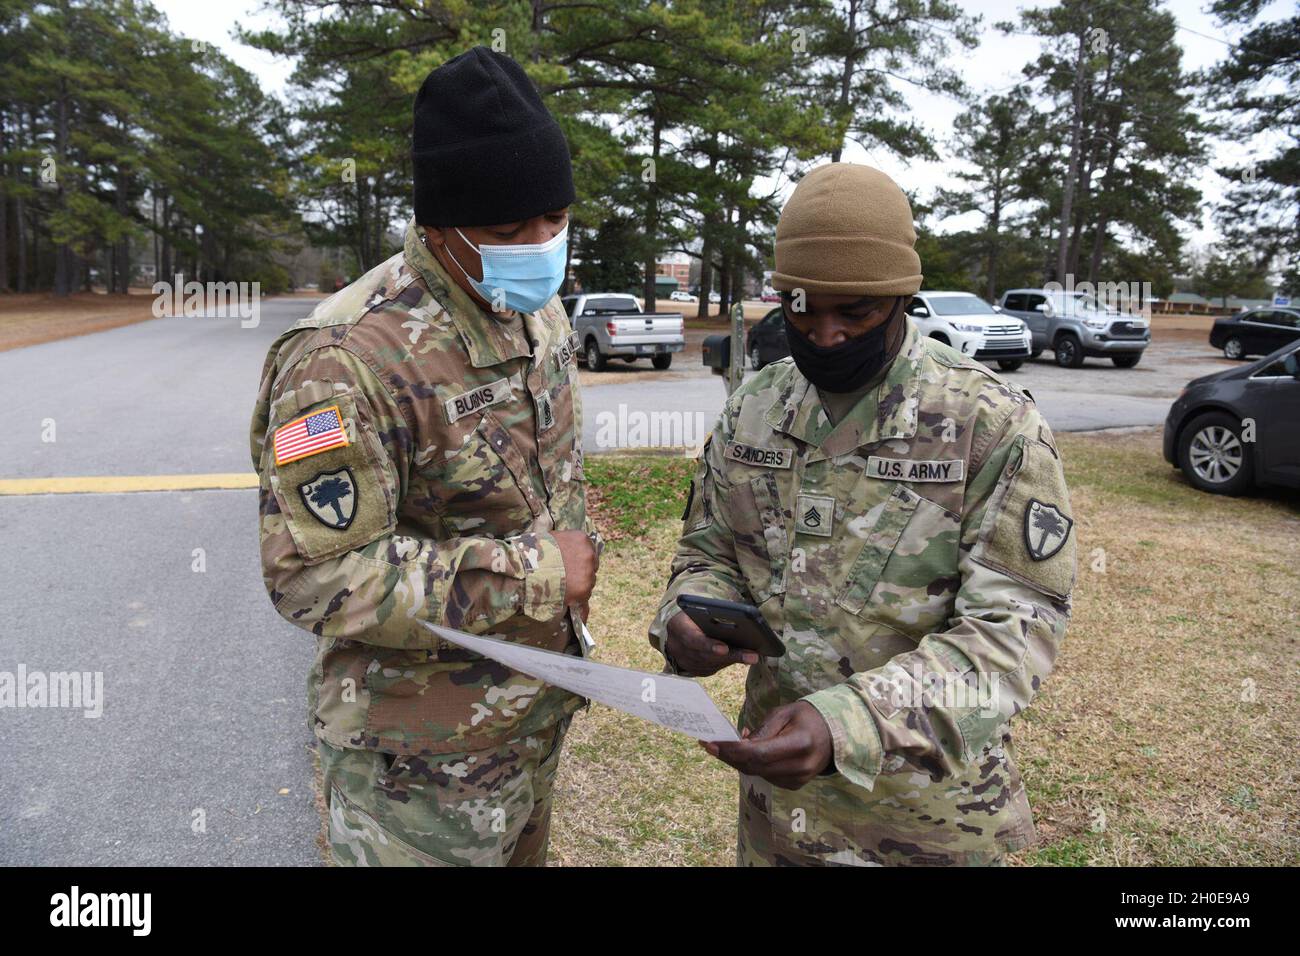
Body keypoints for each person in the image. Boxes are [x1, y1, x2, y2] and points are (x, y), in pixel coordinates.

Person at [649, 162, 1076, 866]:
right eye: (802, 308)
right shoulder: (755, 407)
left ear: (902, 297)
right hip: (780, 816)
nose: (826, 334)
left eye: (857, 312)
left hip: (929, 819)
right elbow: (709, 549)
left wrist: (847, 721)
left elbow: (1013, 633)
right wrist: (688, 621)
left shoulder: (988, 423)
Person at [250, 46, 599, 867]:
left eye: (557, 220)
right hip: (414, 769)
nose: (543, 246)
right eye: (512, 232)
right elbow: (312, 577)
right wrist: (535, 575)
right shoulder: (345, 359)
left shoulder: (534, 315)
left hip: (530, 721)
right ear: (440, 229)